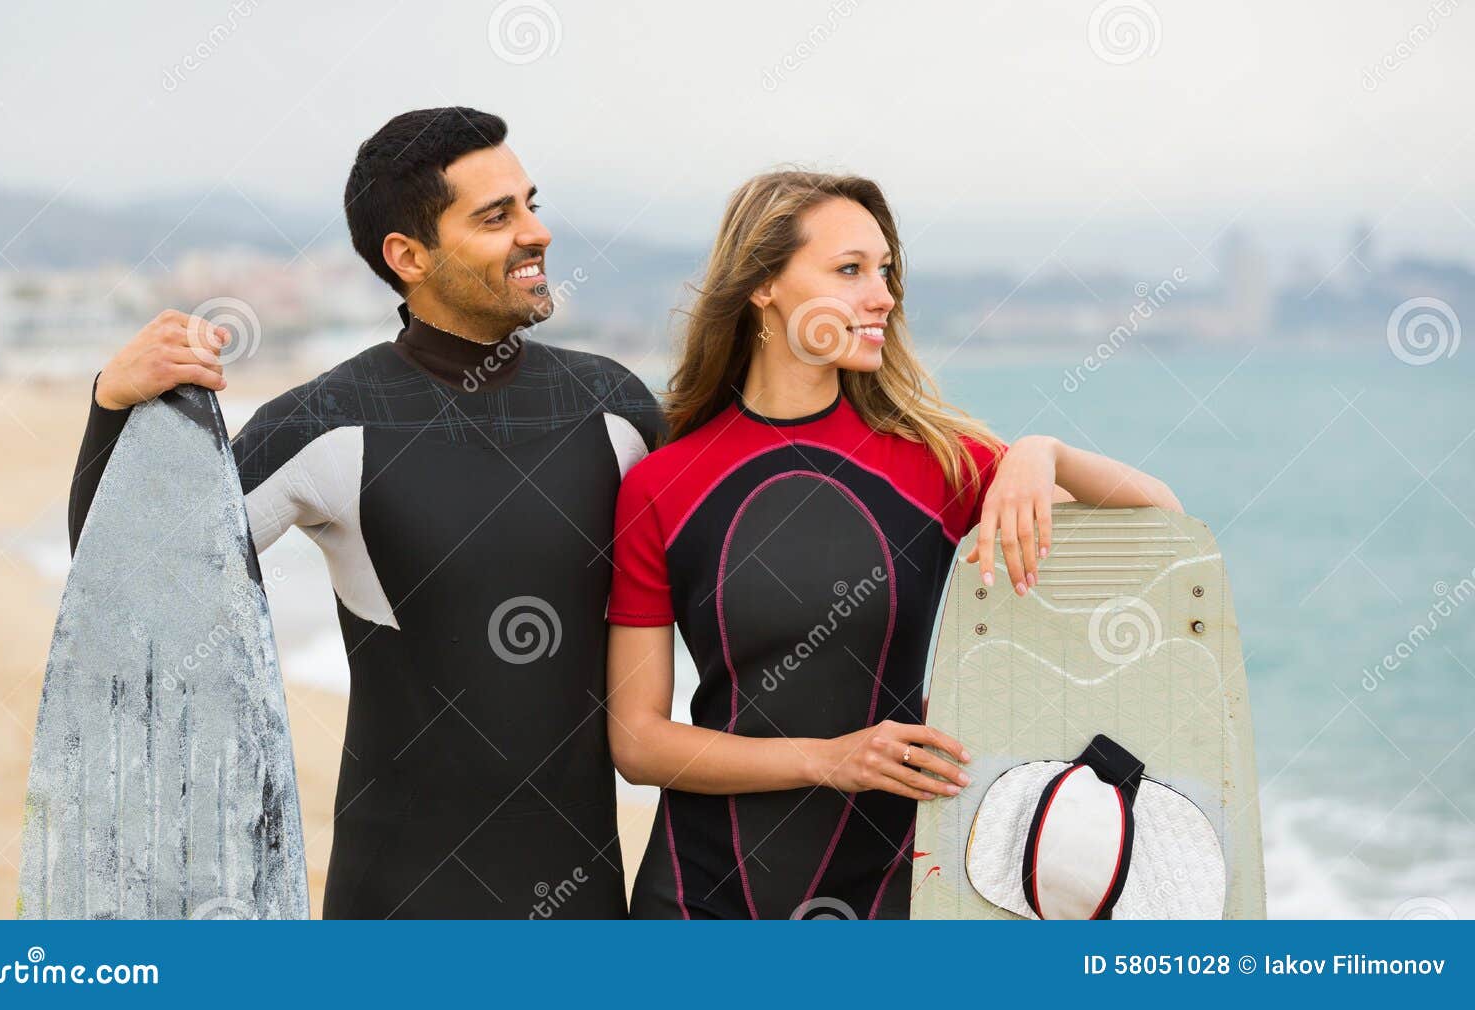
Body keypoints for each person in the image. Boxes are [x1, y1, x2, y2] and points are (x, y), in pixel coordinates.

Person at [68, 107, 663, 918]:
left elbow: (736, 602)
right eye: (498, 216)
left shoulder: (614, 406)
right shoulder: (331, 419)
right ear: (408, 256)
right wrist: (111, 406)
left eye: (532, 203)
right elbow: (130, 585)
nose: (537, 233)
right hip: (394, 909)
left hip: (586, 912)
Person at [605, 170, 1183, 919]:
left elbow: (1164, 529)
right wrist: (831, 757)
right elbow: (639, 742)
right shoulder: (662, 484)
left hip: (897, 893)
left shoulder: (941, 465)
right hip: (699, 899)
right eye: (849, 270)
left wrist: (1046, 454)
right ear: (762, 286)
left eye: (884, 271)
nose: (882, 295)